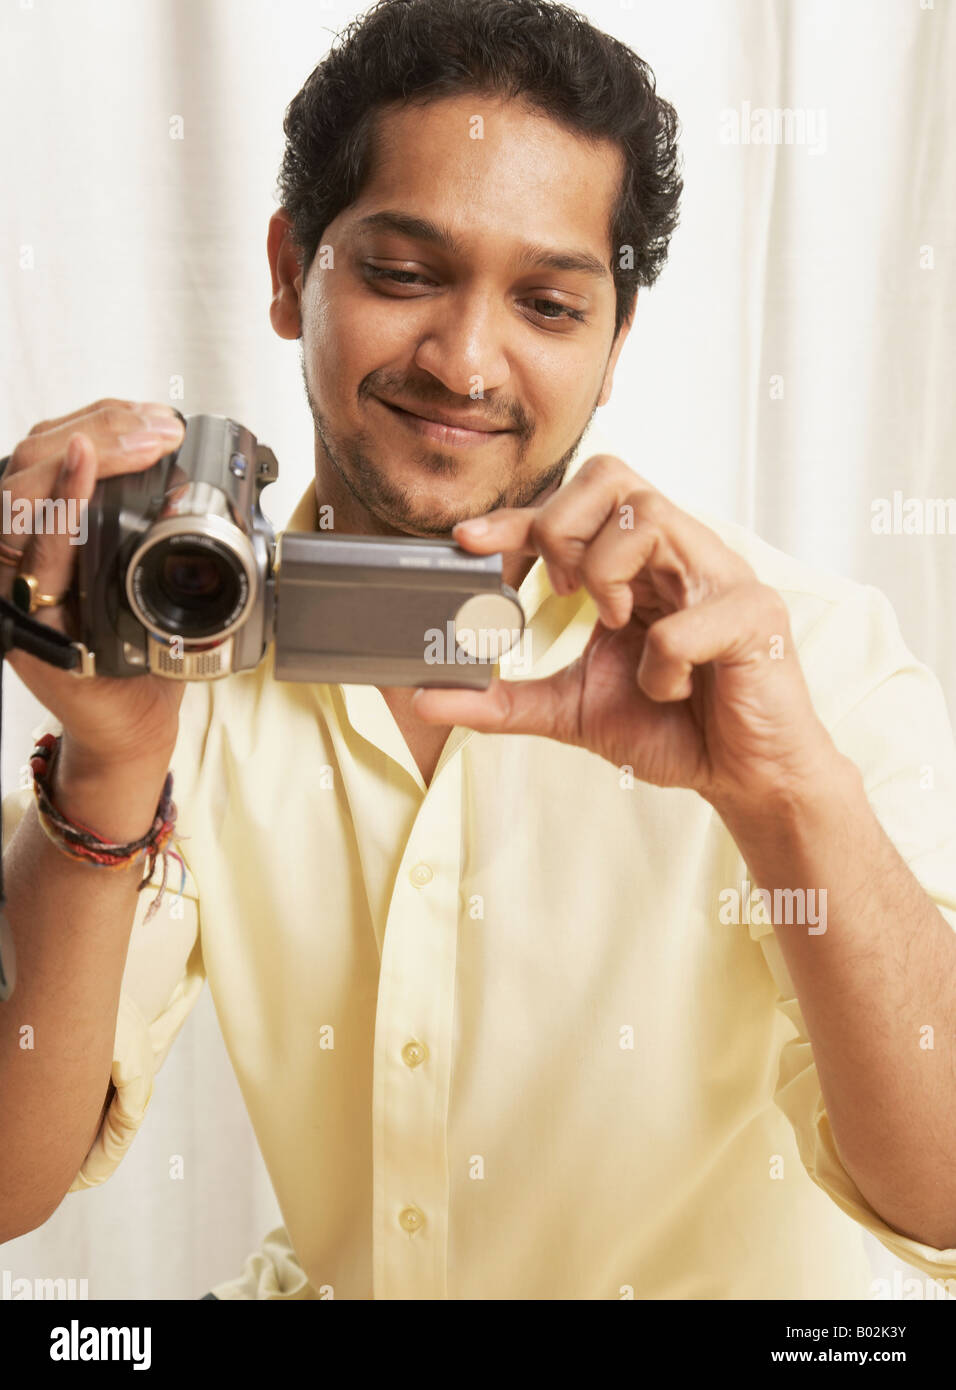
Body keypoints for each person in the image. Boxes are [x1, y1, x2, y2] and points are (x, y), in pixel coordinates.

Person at [2, 0, 955, 1301]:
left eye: (550, 304)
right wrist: (106, 765)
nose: (463, 360)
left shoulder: (798, 661)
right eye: (401, 275)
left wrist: (784, 797)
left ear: (616, 346)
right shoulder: (182, 637)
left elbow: (944, 1196)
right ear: (289, 271)